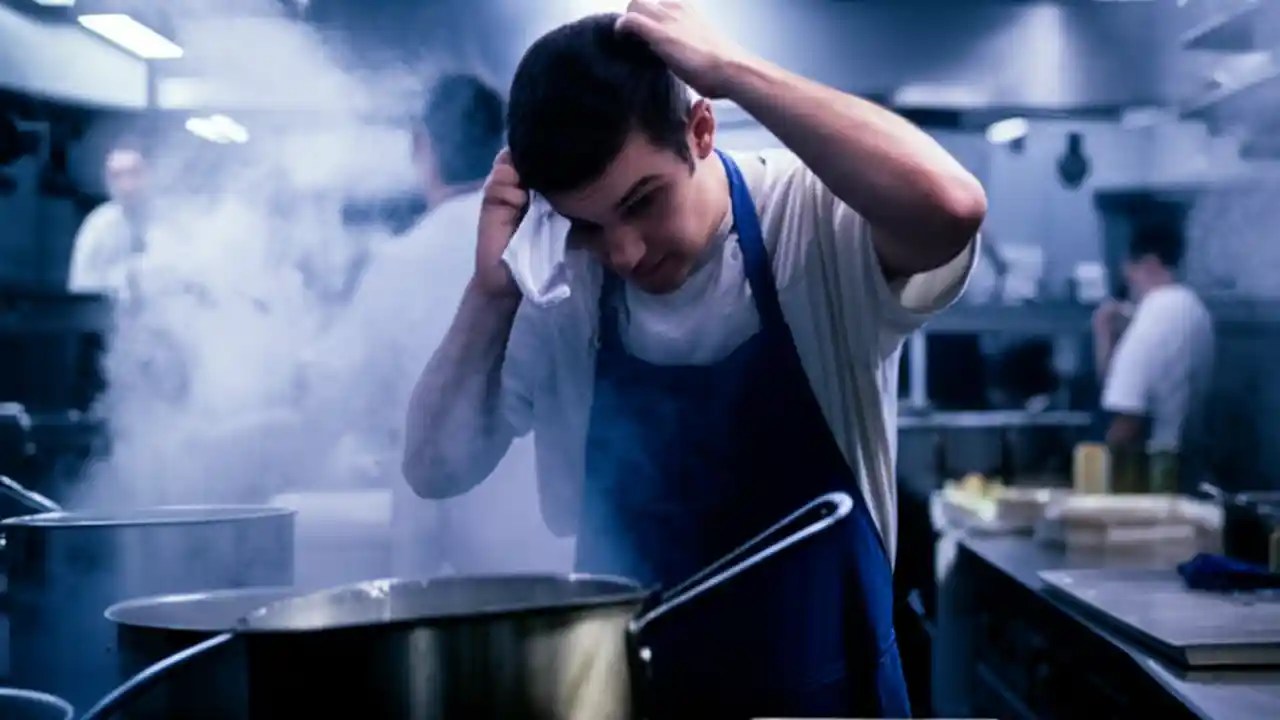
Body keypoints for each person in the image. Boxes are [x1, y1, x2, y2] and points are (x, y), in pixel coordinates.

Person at [403, 5, 985, 717]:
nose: (624, 252)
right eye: (587, 225)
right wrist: (490, 291)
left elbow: (951, 206)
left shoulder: (808, 219)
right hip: (635, 695)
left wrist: (736, 71)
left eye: (643, 202)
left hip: (833, 698)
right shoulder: (561, 284)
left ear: (701, 130)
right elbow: (434, 467)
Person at [314, 73, 572, 577]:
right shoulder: (563, 239)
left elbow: (343, 404)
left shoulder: (399, 263)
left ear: (420, 145)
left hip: (462, 573)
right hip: (580, 550)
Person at [1093, 222, 1214, 480]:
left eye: (1130, 271)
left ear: (1149, 263)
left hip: (1155, 474)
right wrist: (1110, 337)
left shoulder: (1155, 312)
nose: (1128, 281)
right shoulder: (1195, 309)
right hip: (1188, 467)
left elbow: (1126, 418)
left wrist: (1095, 479)